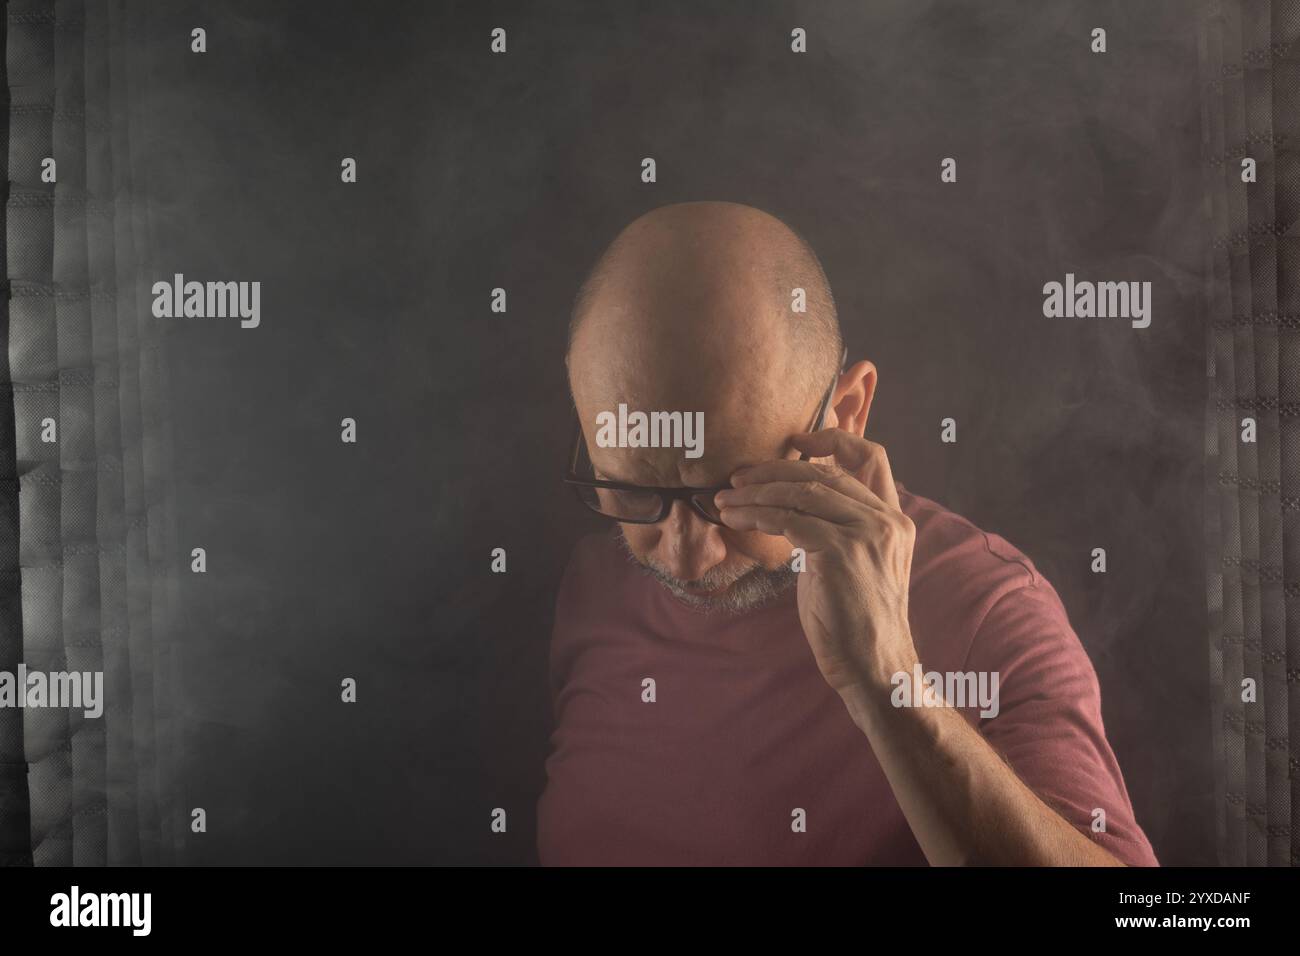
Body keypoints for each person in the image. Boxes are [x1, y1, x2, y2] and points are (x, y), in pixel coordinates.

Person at [537, 200, 1158, 866]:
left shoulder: (988, 605)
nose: (685, 555)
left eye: (728, 491)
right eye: (634, 489)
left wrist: (888, 683)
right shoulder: (596, 582)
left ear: (848, 412)